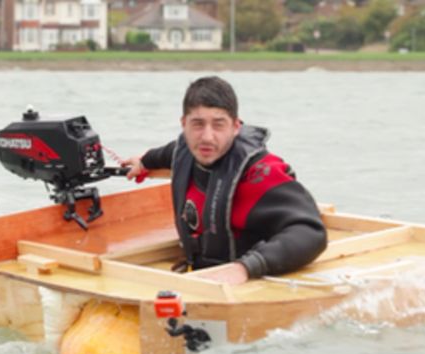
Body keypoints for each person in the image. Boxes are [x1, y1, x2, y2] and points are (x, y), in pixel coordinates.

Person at [123, 76, 327, 285]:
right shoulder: (186, 150)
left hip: (246, 281)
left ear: (236, 126)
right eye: (198, 124)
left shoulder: (260, 173)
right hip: (201, 276)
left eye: (218, 125)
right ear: (184, 124)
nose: (207, 137)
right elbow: (170, 152)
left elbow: (311, 232)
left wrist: (246, 267)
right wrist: (145, 161)